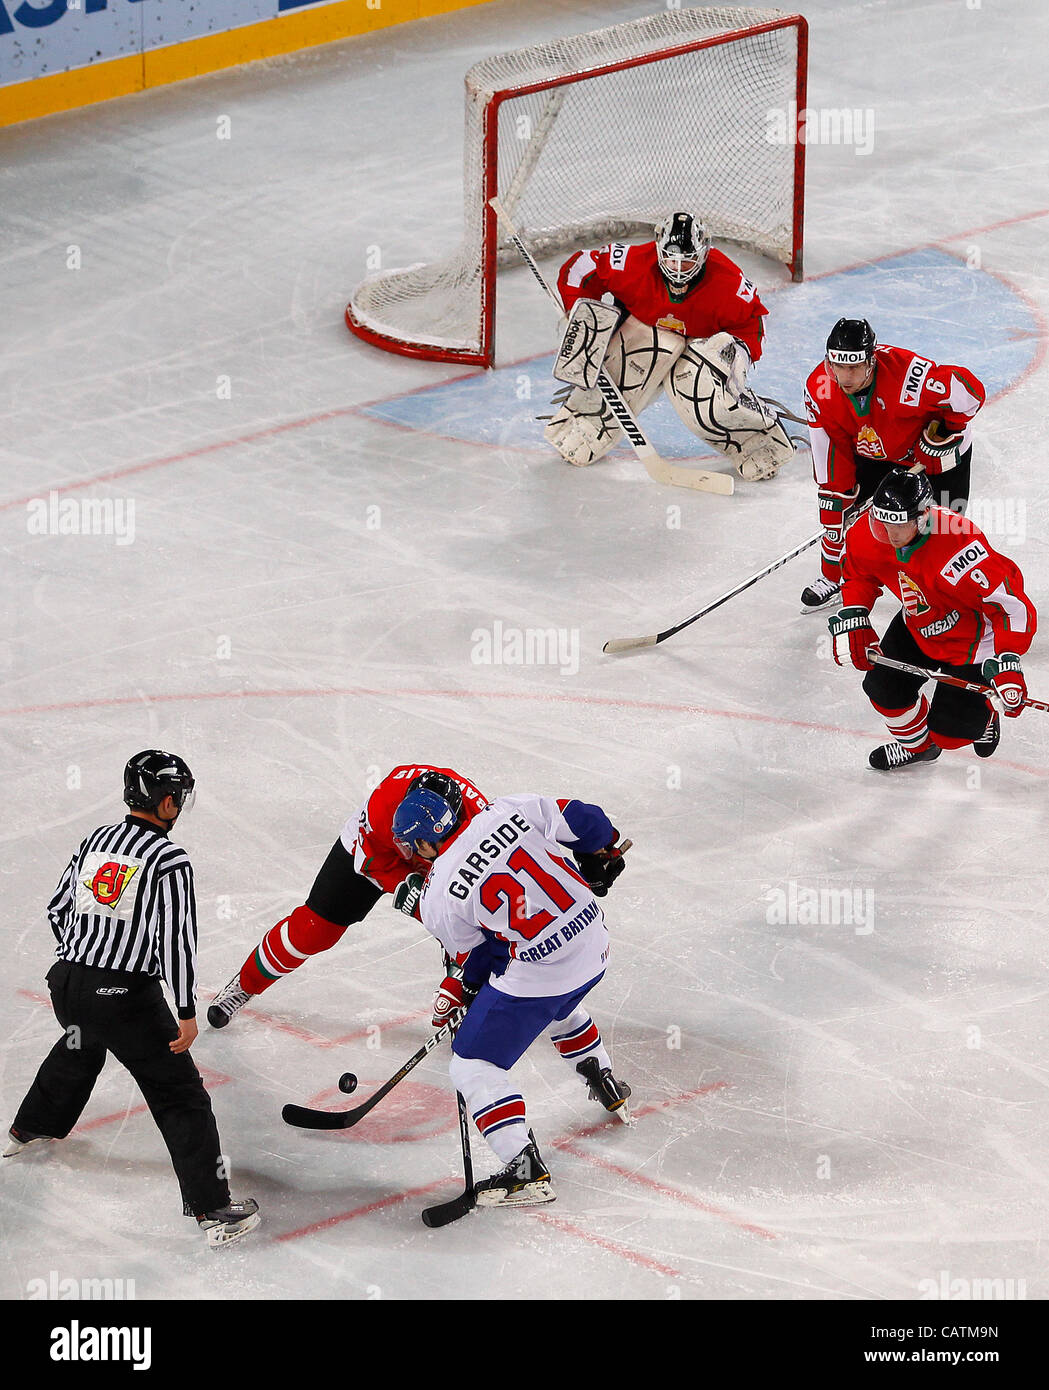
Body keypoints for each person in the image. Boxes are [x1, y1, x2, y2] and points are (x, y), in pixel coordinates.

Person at [4, 751, 259, 1248]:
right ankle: (214, 1210)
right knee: (179, 1095)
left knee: (80, 1046)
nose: (180, 805)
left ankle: (28, 1131)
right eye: (178, 796)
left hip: (68, 986)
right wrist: (186, 1012)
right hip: (124, 1000)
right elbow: (176, 944)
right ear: (165, 802)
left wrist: (82, 959)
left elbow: (57, 908)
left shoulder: (96, 839)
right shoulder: (169, 859)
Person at [392, 783, 631, 1207]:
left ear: (428, 841)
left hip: (546, 970)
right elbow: (585, 818)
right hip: (595, 943)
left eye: (415, 846)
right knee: (559, 1003)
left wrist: (463, 986)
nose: (414, 854)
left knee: (471, 1065)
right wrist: (602, 852)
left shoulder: (437, 894)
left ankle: (524, 1169)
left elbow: (481, 951)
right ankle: (602, 1075)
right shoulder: (506, 809)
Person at [207, 765, 488, 1027]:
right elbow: (373, 861)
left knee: (469, 920)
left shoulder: (484, 824)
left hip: (453, 859)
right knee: (314, 930)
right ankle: (246, 984)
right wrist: (409, 890)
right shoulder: (383, 809)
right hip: (382, 852)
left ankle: (471, 996)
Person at [543, 211, 794, 481]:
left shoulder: (728, 284)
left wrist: (737, 360)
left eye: (686, 263)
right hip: (645, 329)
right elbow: (580, 267)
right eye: (671, 260)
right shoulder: (633, 264)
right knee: (640, 358)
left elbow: (752, 322)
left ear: (703, 254)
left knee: (702, 393)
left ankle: (757, 438)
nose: (677, 269)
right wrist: (582, 316)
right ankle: (587, 420)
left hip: (702, 342)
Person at [829, 469, 1037, 770]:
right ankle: (919, 749)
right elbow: (859, 575)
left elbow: (1010, 607)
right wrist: (855, 614)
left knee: (951, 734)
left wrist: (1007, 659)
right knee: (883, 691)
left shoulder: (959, 543)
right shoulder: (867, 532)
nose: (890, 534)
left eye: (899, 524)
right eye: (883, 521)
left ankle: (986, 715)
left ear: (924, 515)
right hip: (919, 622)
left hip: (975, 641)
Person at [801, 317, 985, 611]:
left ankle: (939, 593)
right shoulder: (820, 389)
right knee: (836, 509)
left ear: (871, 362)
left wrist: (944, 433)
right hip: (877, 450)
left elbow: (967, 392)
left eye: (854, 367)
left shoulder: (907, 377)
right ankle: (833, 577)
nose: (845, 377)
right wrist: (836, 496)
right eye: (839, 366)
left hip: (933, 459)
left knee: (938, 530)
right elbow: (832, 450)